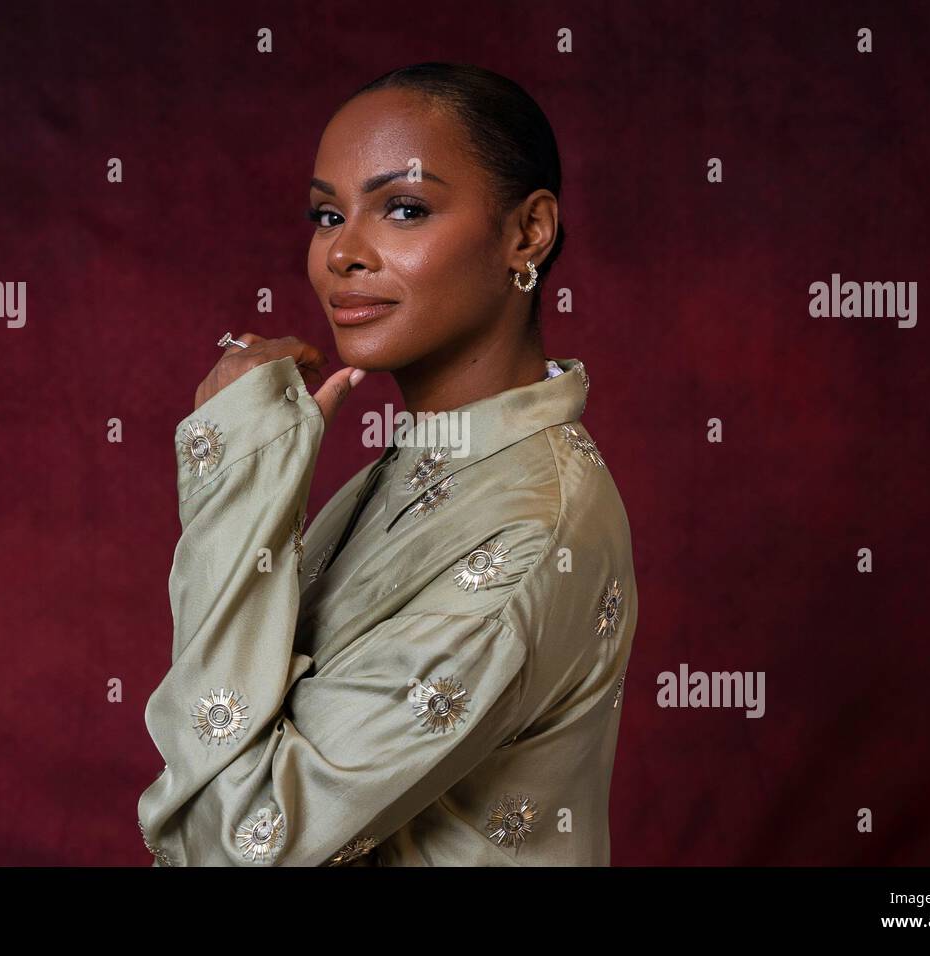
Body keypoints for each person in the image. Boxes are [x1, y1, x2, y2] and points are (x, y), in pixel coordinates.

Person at [136, 62, 637, 866]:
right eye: (326, 214)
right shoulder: (428, 460)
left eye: (404, 209)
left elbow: (234, 846)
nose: (343, 253)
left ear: (527, 232)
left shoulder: (530, 530)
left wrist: (233, 476)